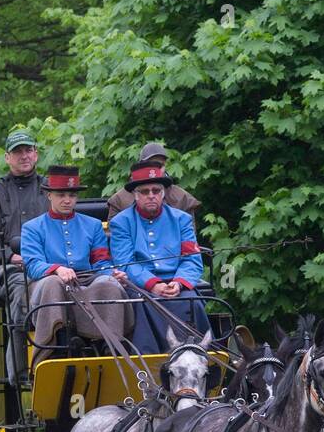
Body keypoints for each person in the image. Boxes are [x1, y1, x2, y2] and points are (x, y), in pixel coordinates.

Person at [21, 166, 133, 361]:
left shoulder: (93, 225)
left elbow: (101, 262)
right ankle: (56, 346)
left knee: (108, 284)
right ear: (49, 195)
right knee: (54, 284)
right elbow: (32, 265)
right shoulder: (32, 228)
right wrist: (57, 269)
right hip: (46, 282)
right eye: (61, 195)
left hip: (86, 281)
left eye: (72, 195)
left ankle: (110, 346)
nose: (67, 200)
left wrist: (112, 273)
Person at [0, 128, 48, 384]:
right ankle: (20, 374)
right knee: (22, 292)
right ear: (7, 157)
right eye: (17, 152)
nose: (23, 156)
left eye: (28, 150)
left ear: (36, 154)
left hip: (50, 266)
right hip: (10, 270)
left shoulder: (50, 190)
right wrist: (14, 258)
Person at [108, 163, 211, 356]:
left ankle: (200, 356)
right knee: (146, 303)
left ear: (163, 193)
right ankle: (150, 360)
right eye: (145, 191)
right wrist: (153, 284)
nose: (151, 195)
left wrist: (178, 284)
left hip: (176, 283)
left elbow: (192, 260)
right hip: (140, 287)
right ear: (135, 195)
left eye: (156, 190)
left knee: (194, 302)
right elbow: (125, 263)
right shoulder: (121, 222)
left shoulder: (181, 219)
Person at [106, 143, 201, 224]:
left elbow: (190, 235)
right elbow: (114, 236)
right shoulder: (119, 200)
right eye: (152, 163)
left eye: (161, 165)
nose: (156, 168)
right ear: (141, 165)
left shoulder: (182, 198)